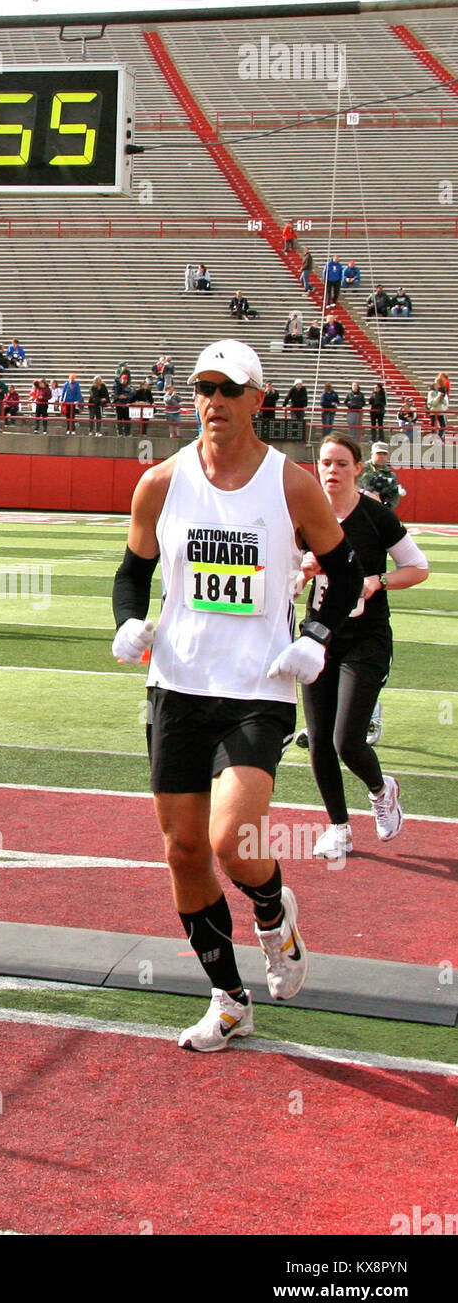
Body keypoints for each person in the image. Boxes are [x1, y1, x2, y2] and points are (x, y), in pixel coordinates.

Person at [111, 338, 364, 1052]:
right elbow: (132, 571)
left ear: (258, 399)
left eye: (229, 389)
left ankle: (270, 904)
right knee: (184, 851)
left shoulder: (290, 484)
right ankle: (228, 998)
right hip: (177, 686)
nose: (214, 402)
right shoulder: (160, 482)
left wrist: (313, 635)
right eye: (204, 388)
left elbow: (342, 572)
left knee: (231, 839)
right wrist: (129, 621)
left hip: (257, 687)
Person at [296, 436, 428, 862]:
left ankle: (380, 789)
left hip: (366, 638)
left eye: (340, 463)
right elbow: (284, 574)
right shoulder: (303, 514)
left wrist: (379, 581)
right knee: (317, 740)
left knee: (347, 740)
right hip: (319, 635)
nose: (331, 471)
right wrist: (302, 570)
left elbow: (417, 567)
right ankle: (338, 827)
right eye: (325, 463)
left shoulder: (376, 517)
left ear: (357, 468)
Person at [361, 441, 404, 511]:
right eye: (379, 453)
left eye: (384, 454)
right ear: (372, 454)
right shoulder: (361, 469)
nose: (382, 456)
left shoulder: (391, 474)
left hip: (382, 510)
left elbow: (395, 495)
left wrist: (387, 507)